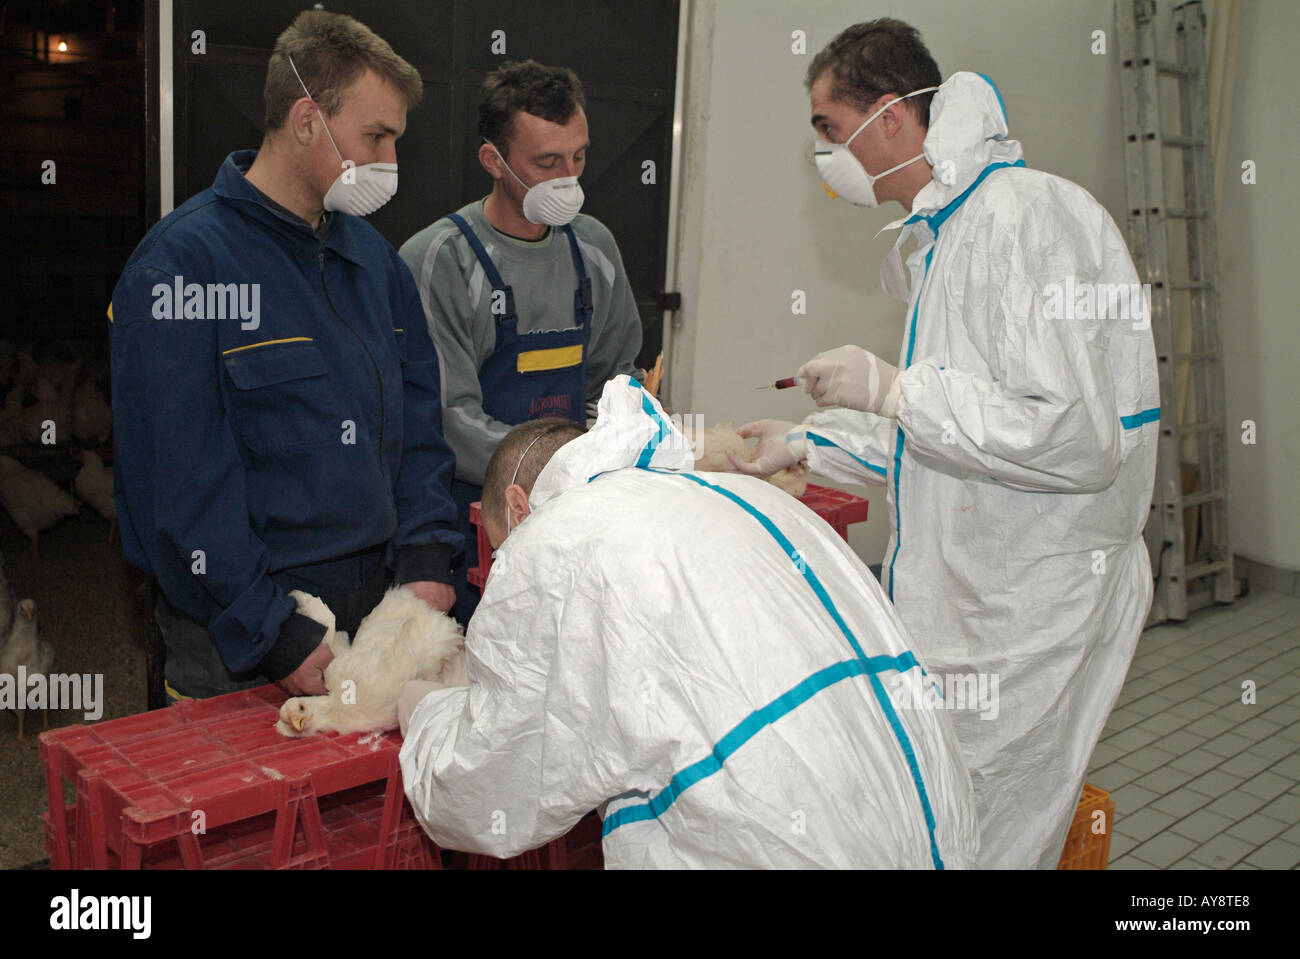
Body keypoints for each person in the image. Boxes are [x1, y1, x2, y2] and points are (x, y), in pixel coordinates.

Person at [730, 20, 1158, 869]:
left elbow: (1072, 435)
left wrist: (896, 387)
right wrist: (808, 445)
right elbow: (950, 442)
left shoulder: (1028, 220)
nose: (822, 156)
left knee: (981, 840)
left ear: (889, 117)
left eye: (827, 128)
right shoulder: (952, 235)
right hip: (975, 601)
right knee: (945, 825)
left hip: (1030, 611)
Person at [397, 376, 979, 869]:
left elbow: (496, 784)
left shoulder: (553, 543)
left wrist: (423, 713)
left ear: (519, 507)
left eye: (501, 547)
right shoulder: (741, 498)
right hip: (940, 826)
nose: (504, 563)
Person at [110, 10, 462, 701]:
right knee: (240, 810)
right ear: (307, 120)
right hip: (241, 641)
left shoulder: (376, 266)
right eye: (377, 137)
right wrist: (270, 629)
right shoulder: (182, 270)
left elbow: (421, 425)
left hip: (372, 620)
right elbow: (177, 486)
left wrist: (426, 551)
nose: (390, 162)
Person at [398, 60, 643, 627]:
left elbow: (614, 382)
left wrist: (597, 465)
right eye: (547, 162)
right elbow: (447, 417)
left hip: (575, 512)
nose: (569, 178)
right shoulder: (442, 261)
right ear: (494, 160)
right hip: (469, 523)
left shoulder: (594, 248)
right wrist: (564, 466)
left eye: (578, 157)